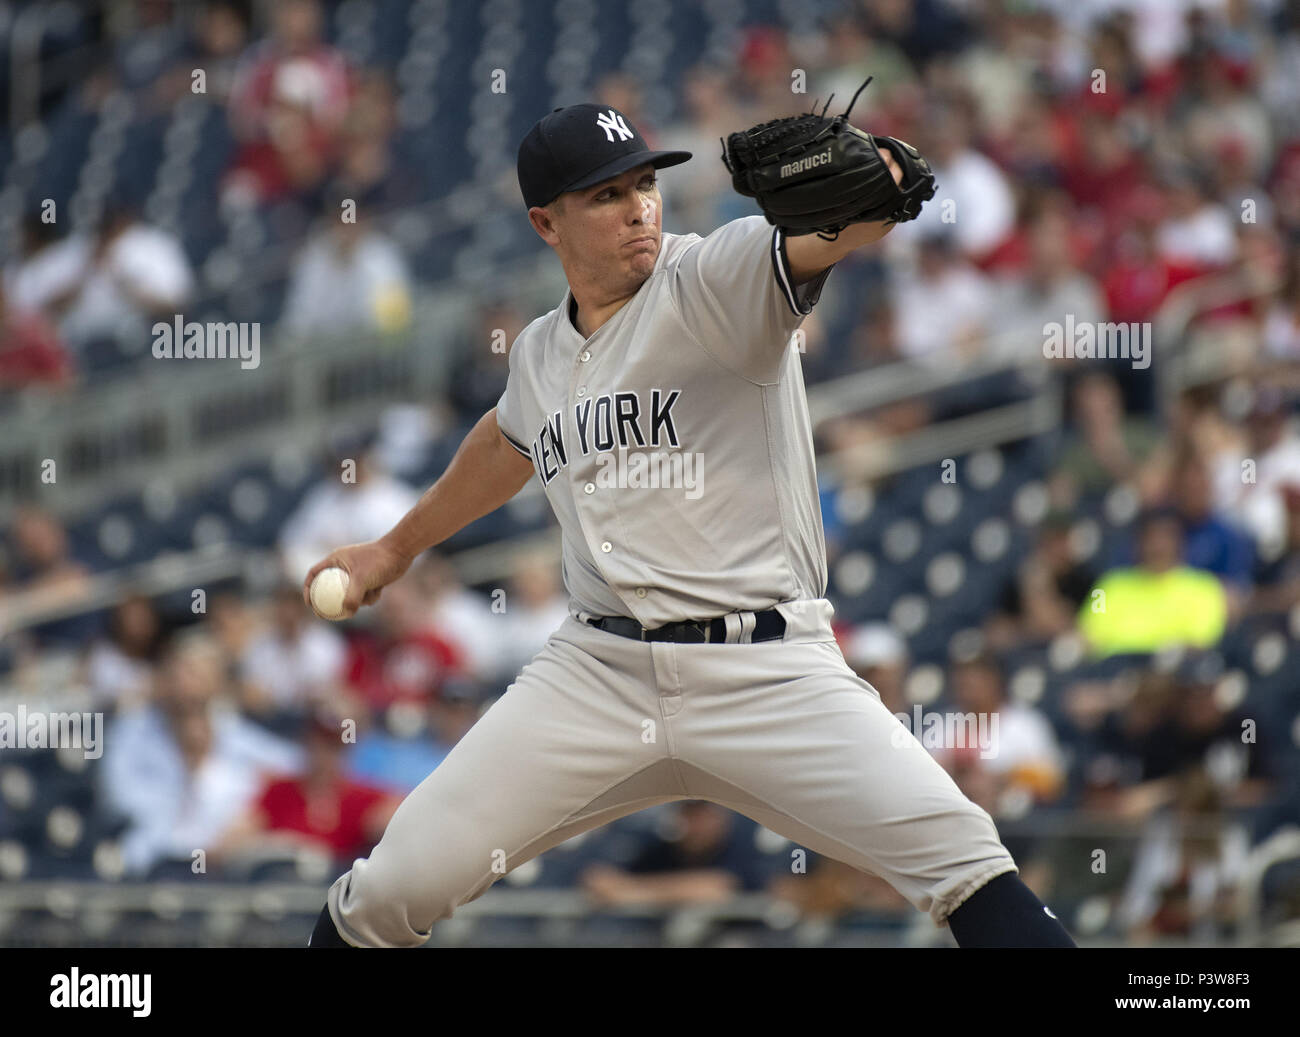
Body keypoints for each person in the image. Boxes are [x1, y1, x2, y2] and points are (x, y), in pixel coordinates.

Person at [305, 102, 1075, 948]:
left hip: (768, 671)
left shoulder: (716, 278)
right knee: (386, 893)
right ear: (545, 223)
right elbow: (504, 440)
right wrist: (392, 548)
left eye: (645, 184)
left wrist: (880, 179)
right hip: (599, 673)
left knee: (963, 856)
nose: (639, 206)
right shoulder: (537, 354)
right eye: (606, 196)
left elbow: (826, 233)